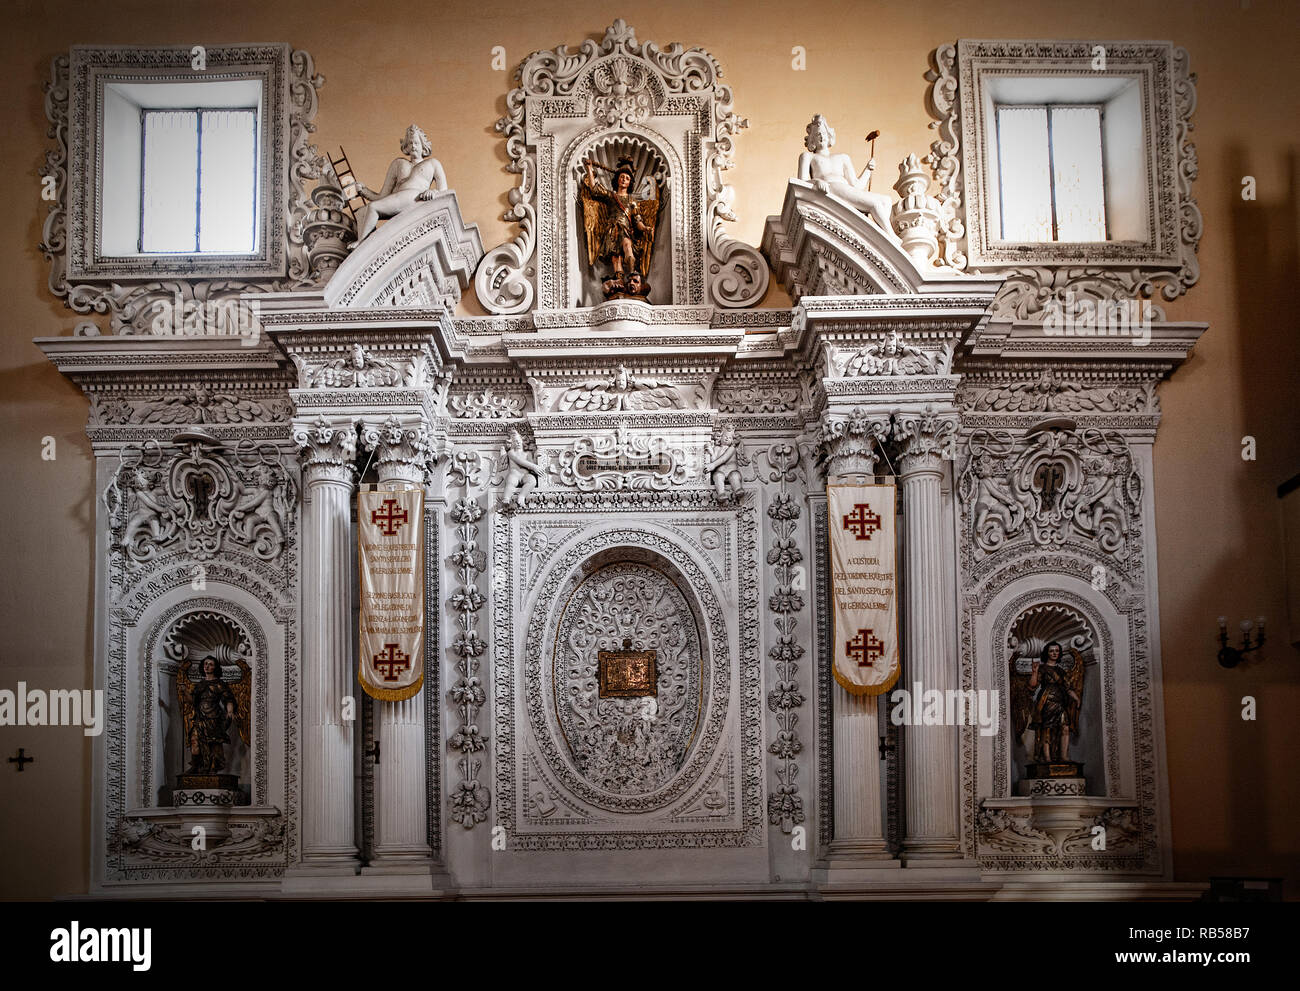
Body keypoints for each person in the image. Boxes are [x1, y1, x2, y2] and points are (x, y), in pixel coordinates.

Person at [798, 114, 894, 236]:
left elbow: (857, 185)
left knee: (886, 201)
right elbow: (802, 183)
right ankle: (892, 237)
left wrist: (868, 170)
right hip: (832, 188)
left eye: (824, 133)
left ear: (829, 135)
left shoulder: (843, 158)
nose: (822, 136)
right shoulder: (808, 157)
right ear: (812, 140)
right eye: (817, 135)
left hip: (846, 189)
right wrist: (816, 182)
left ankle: (879, 236)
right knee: (874, 204)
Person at [351, 125, 447, 245]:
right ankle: (366, 246)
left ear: (423, 146)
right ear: (406, 146)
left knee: (373, 208)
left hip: (415, 197)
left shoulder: (432, 163)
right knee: (362, 213)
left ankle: (361, 243)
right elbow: (382, 196)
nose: (413, 146)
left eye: (416, 143)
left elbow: (444, 190)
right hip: (397, 198)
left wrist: (433, 192)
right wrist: (364, 191)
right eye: (410, 143)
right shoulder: (398, 164)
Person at [582, 157, 655, 291]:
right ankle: (619, 280)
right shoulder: (611, 196)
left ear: (630, 183)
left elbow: (637, 220)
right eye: (622, 177)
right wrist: (589, 169)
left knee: (627, 246)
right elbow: (594, 189)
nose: (624, 180)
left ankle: (632, 274)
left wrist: (645, 228)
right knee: (616, 257)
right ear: (617, 179)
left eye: (627, 178)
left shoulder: (632, 201)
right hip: (612, 229)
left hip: (625, 229)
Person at [1028, 641, 1081, 762]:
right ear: (1047, 653)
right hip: (1047, 701)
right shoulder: (1042, 669)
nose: (1054, 653)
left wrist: (1076, 698)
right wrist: (1035, 672)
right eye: (1051, 651)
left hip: (1060, 702)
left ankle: (1064, 756)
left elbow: (1068, 688)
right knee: (1047, 728)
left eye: (1057, 651)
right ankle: (1047, 758)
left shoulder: (1061, 671)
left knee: (1065, 727)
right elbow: (1032, 685)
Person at [189, 656, 237, 773]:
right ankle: (196, 766)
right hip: (200, 718)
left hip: (214, 718)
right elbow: (192, 701)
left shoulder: (219, 684)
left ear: (215, 667)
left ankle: (212, 769)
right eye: (205, 664)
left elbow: (228, 699)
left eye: (210, 664)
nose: (207, 666)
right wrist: (183, 691)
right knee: (194, 742)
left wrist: (230, 711)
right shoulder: (199, 685)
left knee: (213, 744)